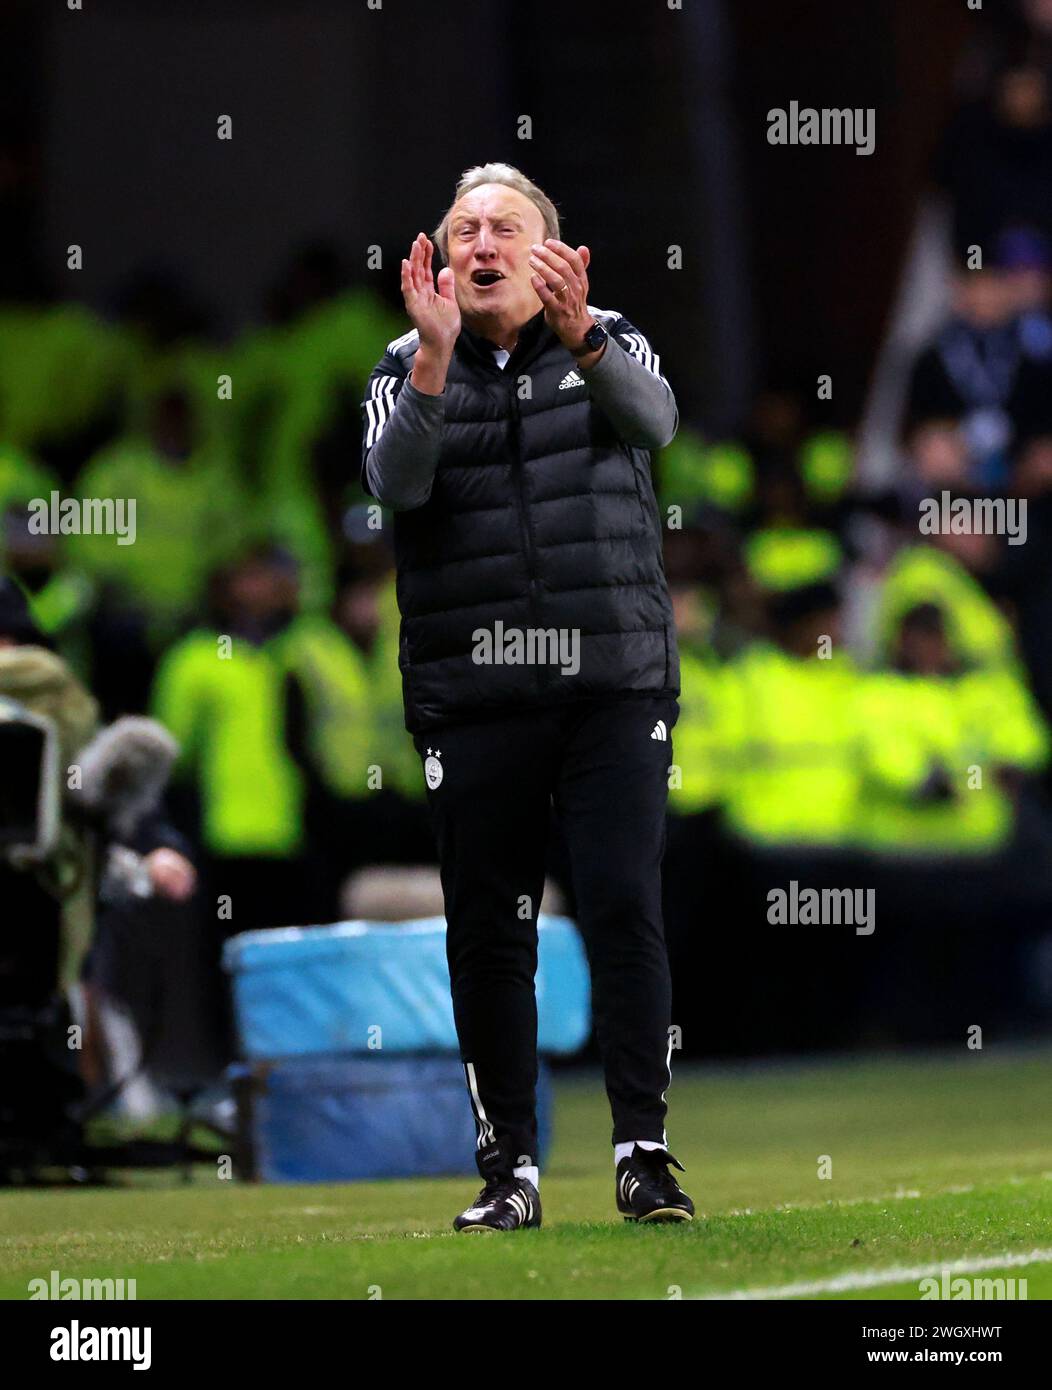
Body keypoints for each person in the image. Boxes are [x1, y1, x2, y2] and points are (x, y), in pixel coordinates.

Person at [360, 162, 691, 1230]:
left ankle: (642, 1153)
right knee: (490, 931)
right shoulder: (404, 365)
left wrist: (584, 333)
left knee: (618, 904)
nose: (481, 242)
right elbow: (394, 484)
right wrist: (433, 365)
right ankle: (509, 1170)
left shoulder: (612, 337)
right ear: (443, 260)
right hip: (476, 694)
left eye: (505, 225)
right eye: (463, 229)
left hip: (609, 682)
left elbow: (654, 424)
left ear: (554, 252)